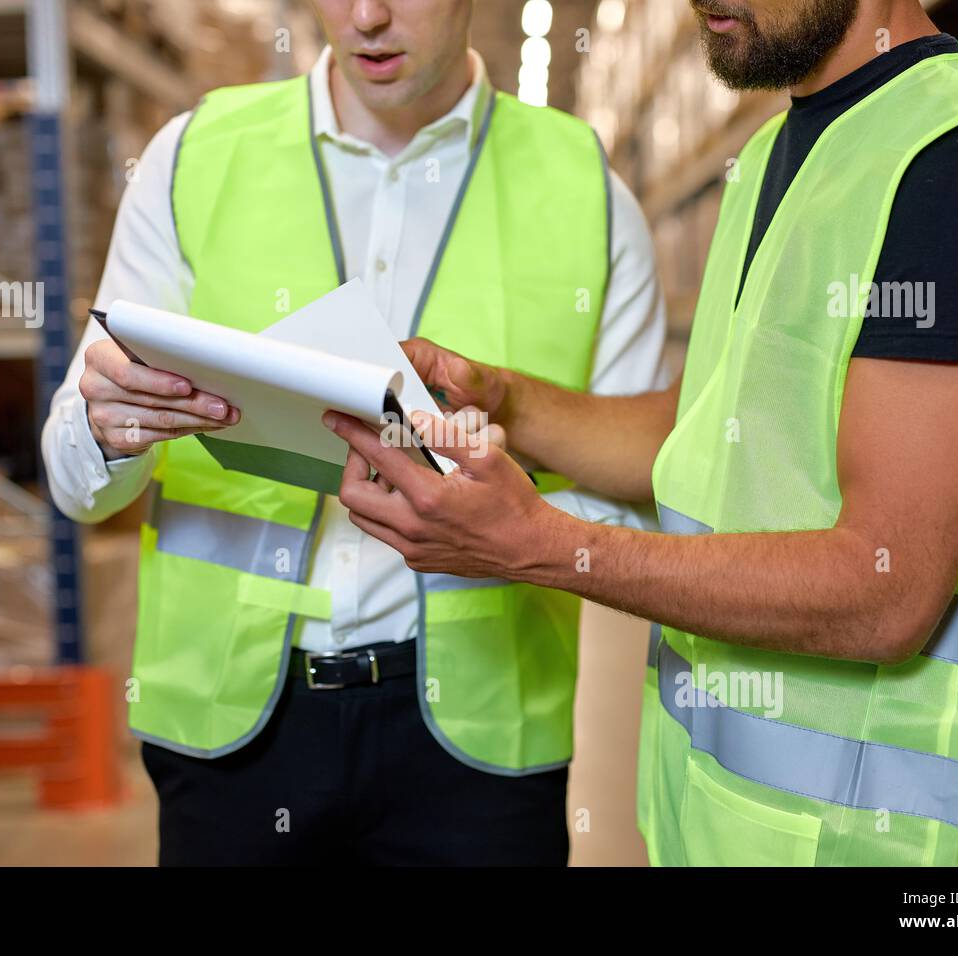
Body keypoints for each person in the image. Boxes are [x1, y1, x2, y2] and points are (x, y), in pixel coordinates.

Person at [327, 0, 958, 865]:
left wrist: (538, 545)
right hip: (721, 828)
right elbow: (700, 433)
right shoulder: (776, 153)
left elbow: (888, 588)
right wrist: (504, 401)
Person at [41, 0, 671, 865]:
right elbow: (77, 481)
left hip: (480, 750)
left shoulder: (586, 191)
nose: (367, 16)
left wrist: (523, 520)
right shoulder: (193, 158)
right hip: (228, 735)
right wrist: (108, 431)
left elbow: (639, 495)